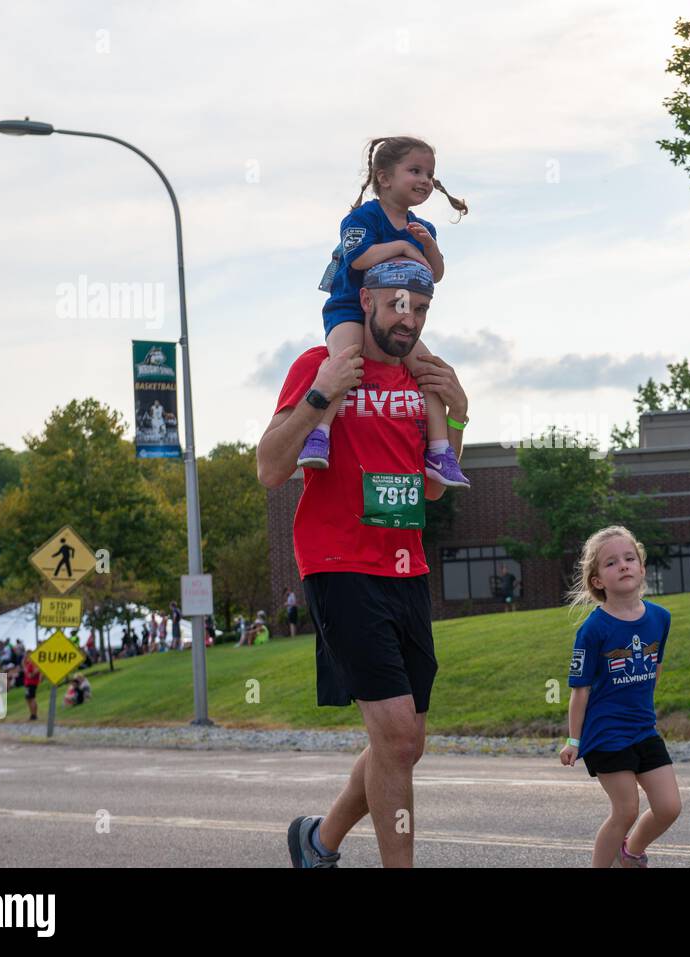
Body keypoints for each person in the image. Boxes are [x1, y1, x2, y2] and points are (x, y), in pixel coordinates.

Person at [257, 257, 468, 868]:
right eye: (399, 304)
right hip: (338, 562)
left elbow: (432, 488)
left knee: (404, 744)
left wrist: (457, 415)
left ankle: (319, 842)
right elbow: (271, 468)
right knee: (398, 737)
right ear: (367, 300)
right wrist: (323, 394)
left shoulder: (421, 376)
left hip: (406, 567)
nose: (409, 318)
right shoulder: (319, 366)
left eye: (421, 309)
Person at [299, 136, 470, 492]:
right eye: (415, 171)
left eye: (430, 173)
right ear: (385, 177)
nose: (425, 179)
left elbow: (433, 274)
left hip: (397, 313)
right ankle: (319, 432)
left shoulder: (423, 228)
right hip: (348, 308)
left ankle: (440, 452)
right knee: (344, 361)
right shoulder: (361, 218)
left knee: (429, 373)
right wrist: (404, 245)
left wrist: (429, 246)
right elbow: (359, 259)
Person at [560, 525, 682, 868]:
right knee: (626, 809)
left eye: (630, 558)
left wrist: (644, 707)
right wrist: (573, 740)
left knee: (670, 806)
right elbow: (579, 690)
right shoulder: (593, 630)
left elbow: (655, 667)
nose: (623, 565)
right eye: (611, 563)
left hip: (643, 729)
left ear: (642, 568)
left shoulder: (661, 617)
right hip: (605, 735)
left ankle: (631, 852)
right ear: (597, 580)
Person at [22, 657, 41, 721]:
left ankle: (34, 715)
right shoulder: (29, 664)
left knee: (31, 698)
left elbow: (33, 673)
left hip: (31, 684)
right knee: (28, 699)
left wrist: (29, 673)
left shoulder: (33, 664)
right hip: (28, 684)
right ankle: (32, 714)